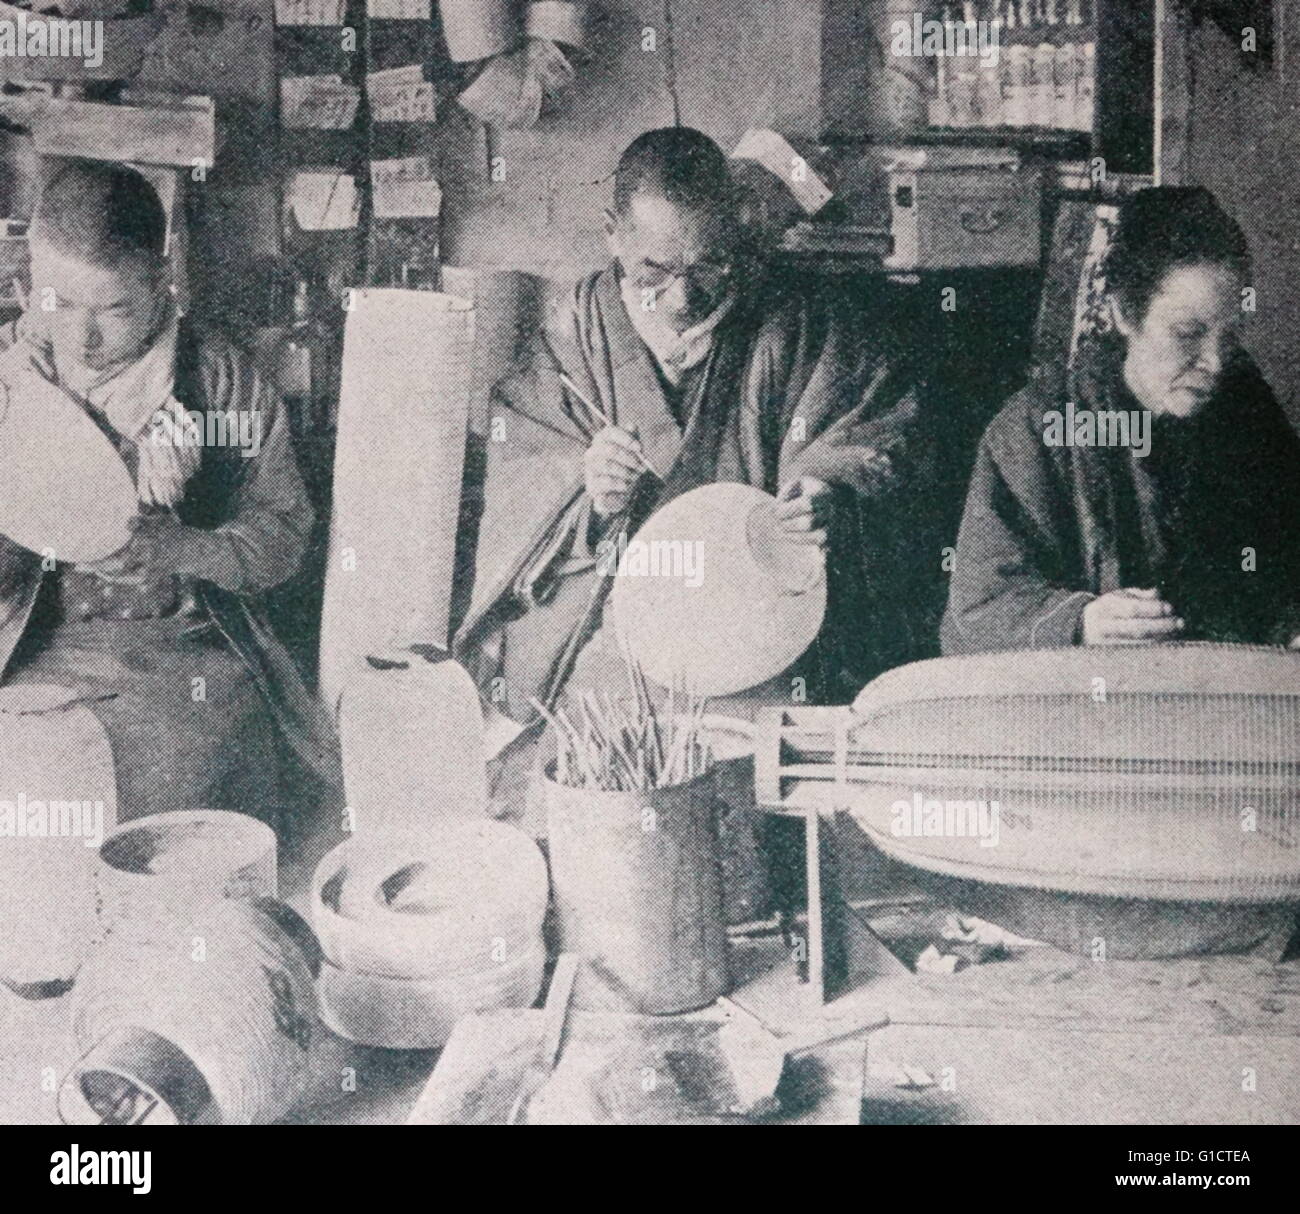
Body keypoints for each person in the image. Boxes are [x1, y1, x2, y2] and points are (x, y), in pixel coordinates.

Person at [454, 126, 929, 840]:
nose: (681, 297)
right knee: (591, 766)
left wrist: (821, 490)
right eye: (655, 269)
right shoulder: (576, 326)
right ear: (612, 233)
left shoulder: (792, 320)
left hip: (755, 610)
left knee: (757, 769)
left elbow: (863, 423)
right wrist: (588, 490)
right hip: (611, 610)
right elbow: (523, 457)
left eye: (708, 268)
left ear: (737, 236)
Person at [0, 161, 337, 827]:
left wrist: (184, 548)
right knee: (30, 778)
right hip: (32, 641)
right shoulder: (14, 383)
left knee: (154, 801)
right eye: (59, 305)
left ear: (161, 285)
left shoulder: (215, 379)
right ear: (23, 283)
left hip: (186, 647)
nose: (84, 339)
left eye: (115, 309)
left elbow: (283, 535)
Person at [942, 186, 1300, 654]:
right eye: (1188, 333)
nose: (1213, 361)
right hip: (1086, 700)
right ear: (1123, 314)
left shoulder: (1249, 415)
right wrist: (1080, 621)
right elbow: (982, 603)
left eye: (1228, 337)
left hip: (1221, 696)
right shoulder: (1042, 425)